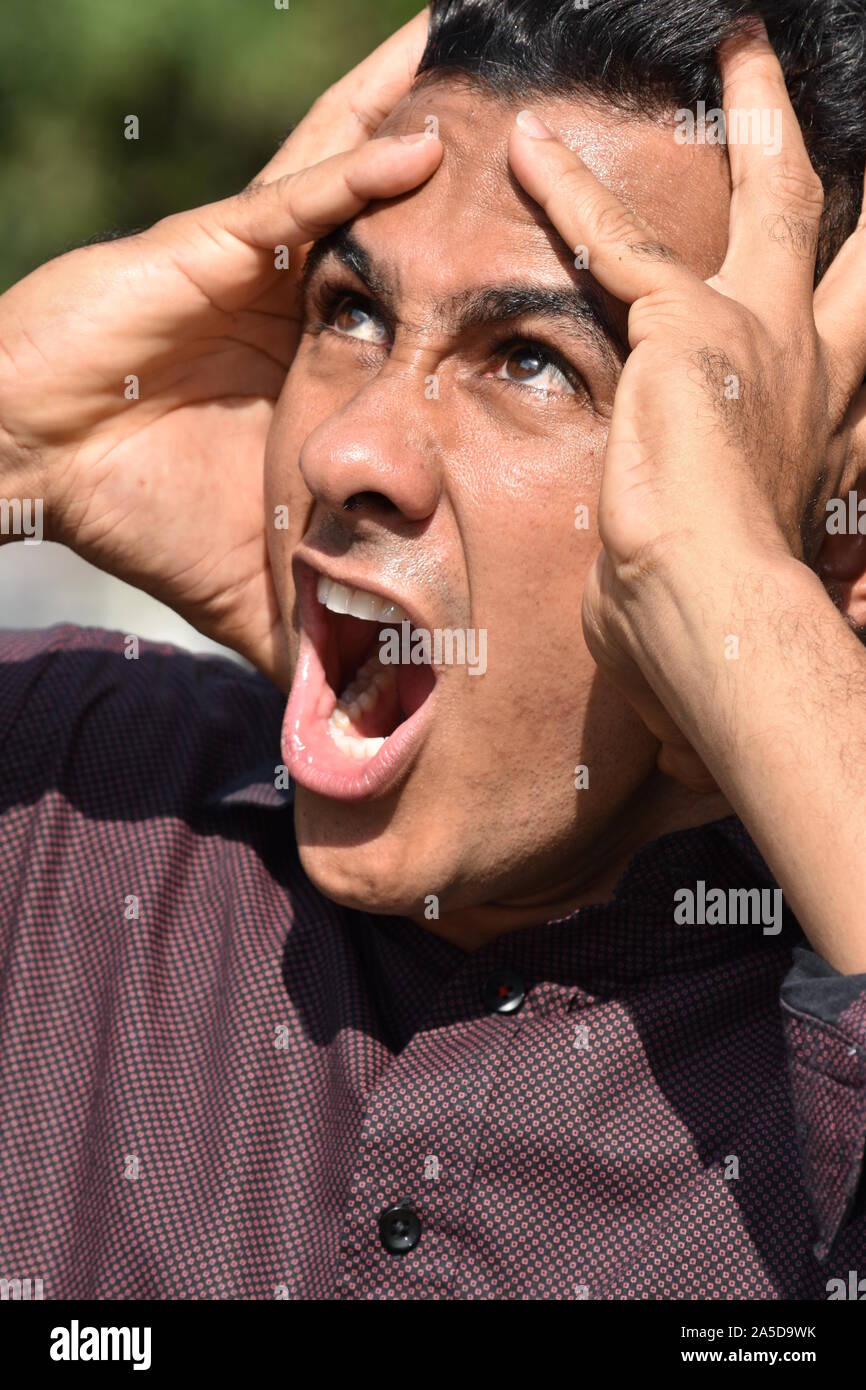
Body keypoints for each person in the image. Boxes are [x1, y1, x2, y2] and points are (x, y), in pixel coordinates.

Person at [1, 0, 866, 1299]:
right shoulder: (69, 787)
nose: (345, 451)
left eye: (528, 358)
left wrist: (758, 620)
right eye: (347, 311)